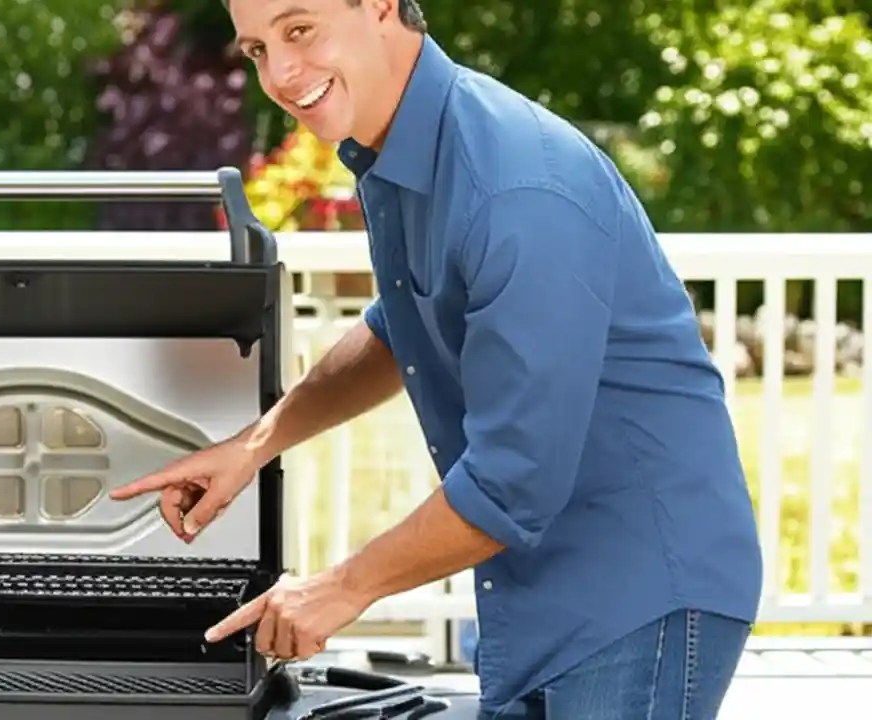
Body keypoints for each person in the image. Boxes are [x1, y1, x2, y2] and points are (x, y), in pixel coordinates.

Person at [109, 0, 765, 717]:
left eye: (299, 30)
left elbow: (516, 482)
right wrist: (255, 444)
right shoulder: (397, 150)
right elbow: (402, 327)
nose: (283, 73)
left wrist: (341, 587)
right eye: (259, 50)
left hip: (640, 591)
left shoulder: (516, 189)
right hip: (540, 590)